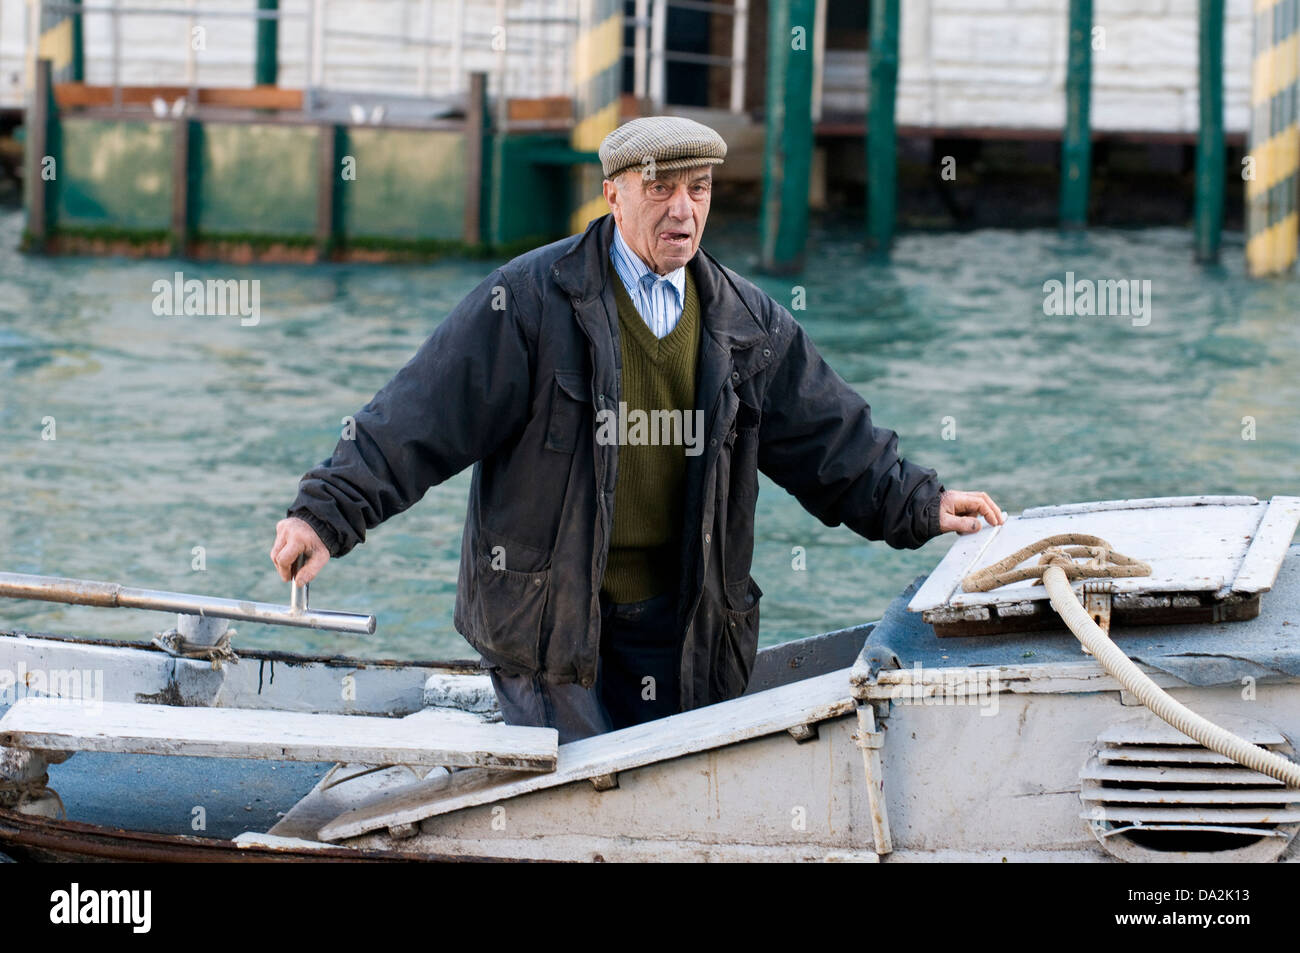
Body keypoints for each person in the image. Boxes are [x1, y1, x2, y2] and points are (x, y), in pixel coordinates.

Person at [270, 116, 1005, 743]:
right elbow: (419, 414)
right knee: (582, 790)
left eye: (700, 188)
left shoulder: (749, 325)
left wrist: (922, 503)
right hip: (549, 622)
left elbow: (831, 439)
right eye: (661, 187)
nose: (682, 209)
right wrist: (324, 515)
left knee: (671, 789)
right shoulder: (527, 302)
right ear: (614, 193)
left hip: (683, 622)